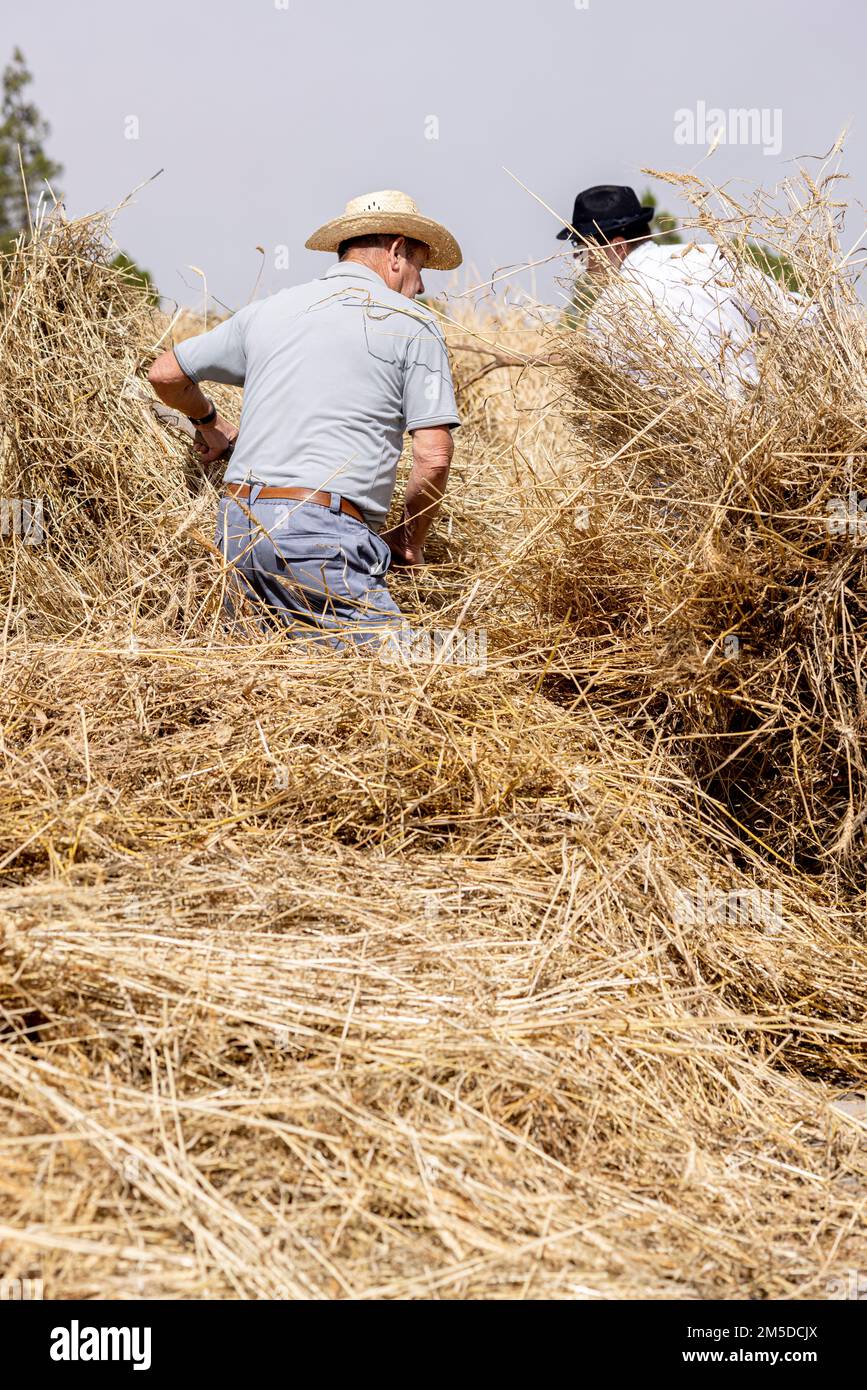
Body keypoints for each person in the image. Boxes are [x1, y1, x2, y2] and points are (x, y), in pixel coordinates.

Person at [148, 190, 462, 645]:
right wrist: (410, 541)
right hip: (320, 536)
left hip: (236, 531)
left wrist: (208, 422)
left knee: (272, 682)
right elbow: (433, 457)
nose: (422, 286)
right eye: (421, 267)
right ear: (397, 252)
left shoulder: (269, 311)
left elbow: (164, 375)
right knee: (417, 679)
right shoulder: (410, 322)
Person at [557, 184, 812, 398]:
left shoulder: (608, 312)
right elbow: (798, 317)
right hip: (756, 438)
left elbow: (617, 401)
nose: (583, 263)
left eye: (583, 251)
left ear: (618, 247)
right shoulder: (710, 258)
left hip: (672, 452)